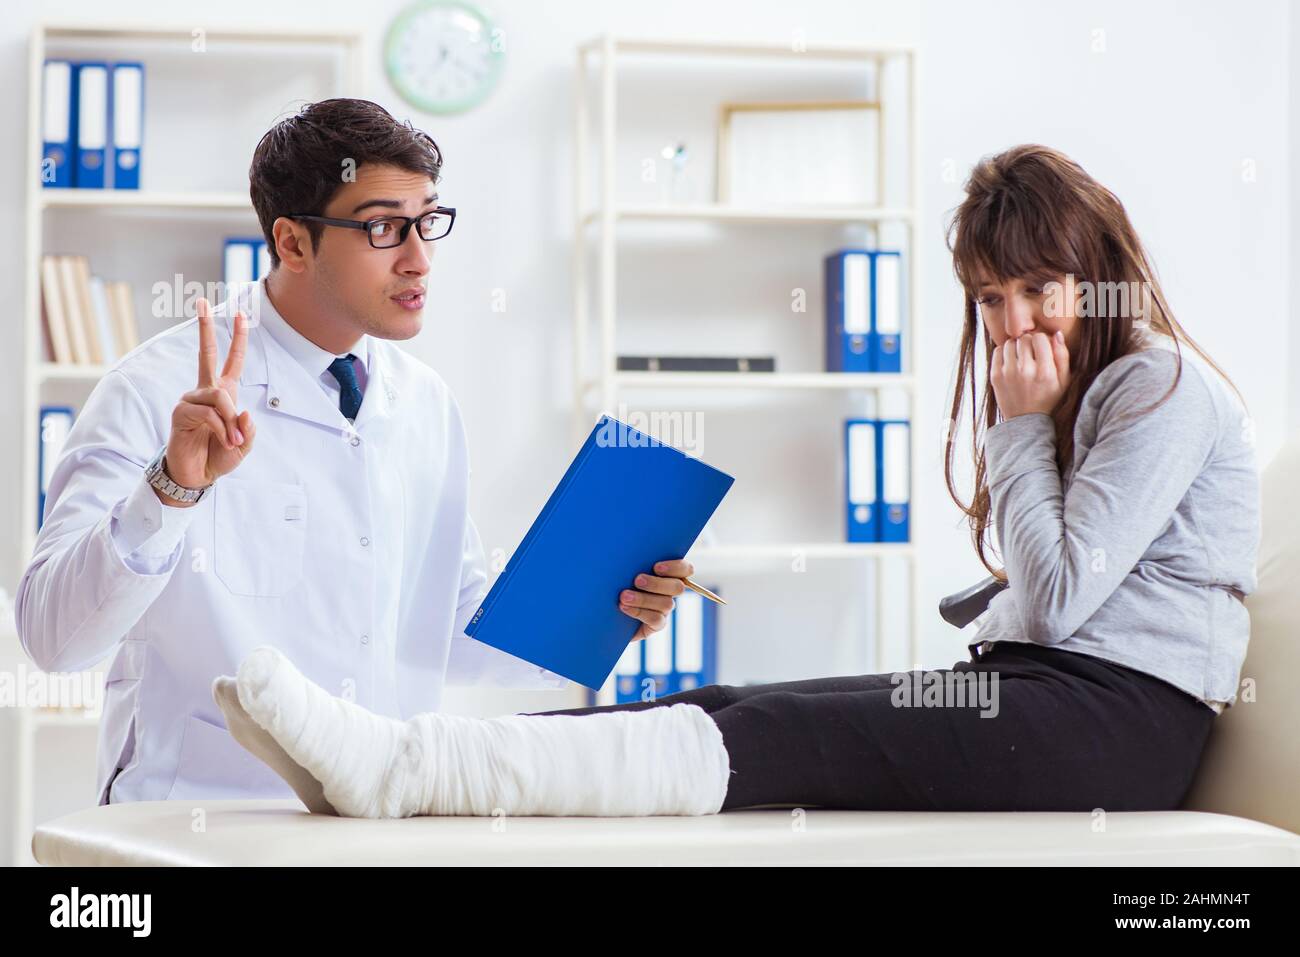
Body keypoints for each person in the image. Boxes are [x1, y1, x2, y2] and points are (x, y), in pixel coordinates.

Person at [212, 143, 1260, 819]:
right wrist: (1030, 436)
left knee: (777, 734)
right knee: (722, 698)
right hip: (1044, 694)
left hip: (1119, 727)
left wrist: (1022, 432)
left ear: (1099, 271)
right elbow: (1043, 601)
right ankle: (407, 758)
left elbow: (1066, 602)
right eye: (990, 302)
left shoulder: (1155, 382)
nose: (1014, 324)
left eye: (1040, 290)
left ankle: (408, 774)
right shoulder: (1078, 392)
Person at [14, 98, 688, 807]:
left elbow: (444, 623)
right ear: (294, 242)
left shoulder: (425, 402)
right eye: (382, 228)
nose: (419, 259)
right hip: (201, 815)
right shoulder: (153, 391)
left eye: (427, 221)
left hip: (380, 815)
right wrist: (171, 489)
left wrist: (602, 609)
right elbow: (53, 640)